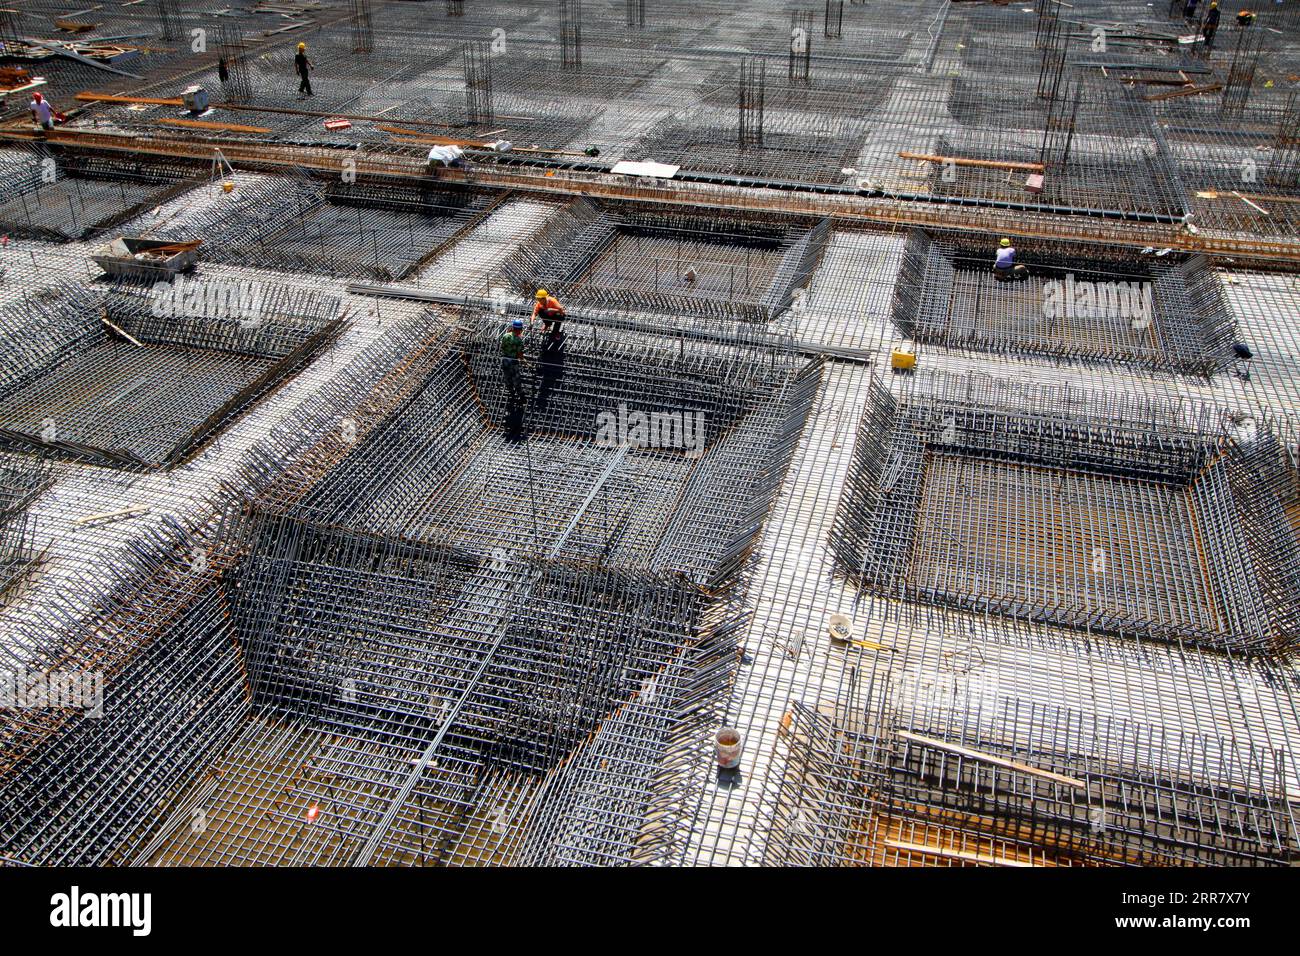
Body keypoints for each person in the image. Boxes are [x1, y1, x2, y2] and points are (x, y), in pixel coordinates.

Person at [501, 317, 526, 401]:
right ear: (520, 329)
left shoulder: (505, 336)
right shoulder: (518, 340)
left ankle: (511, 392)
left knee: (507, 377)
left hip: (505, 360)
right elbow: (519, 354)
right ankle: (521, 395)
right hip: (513, 362)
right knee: (516, 378)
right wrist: (523, 360)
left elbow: (502, 347)